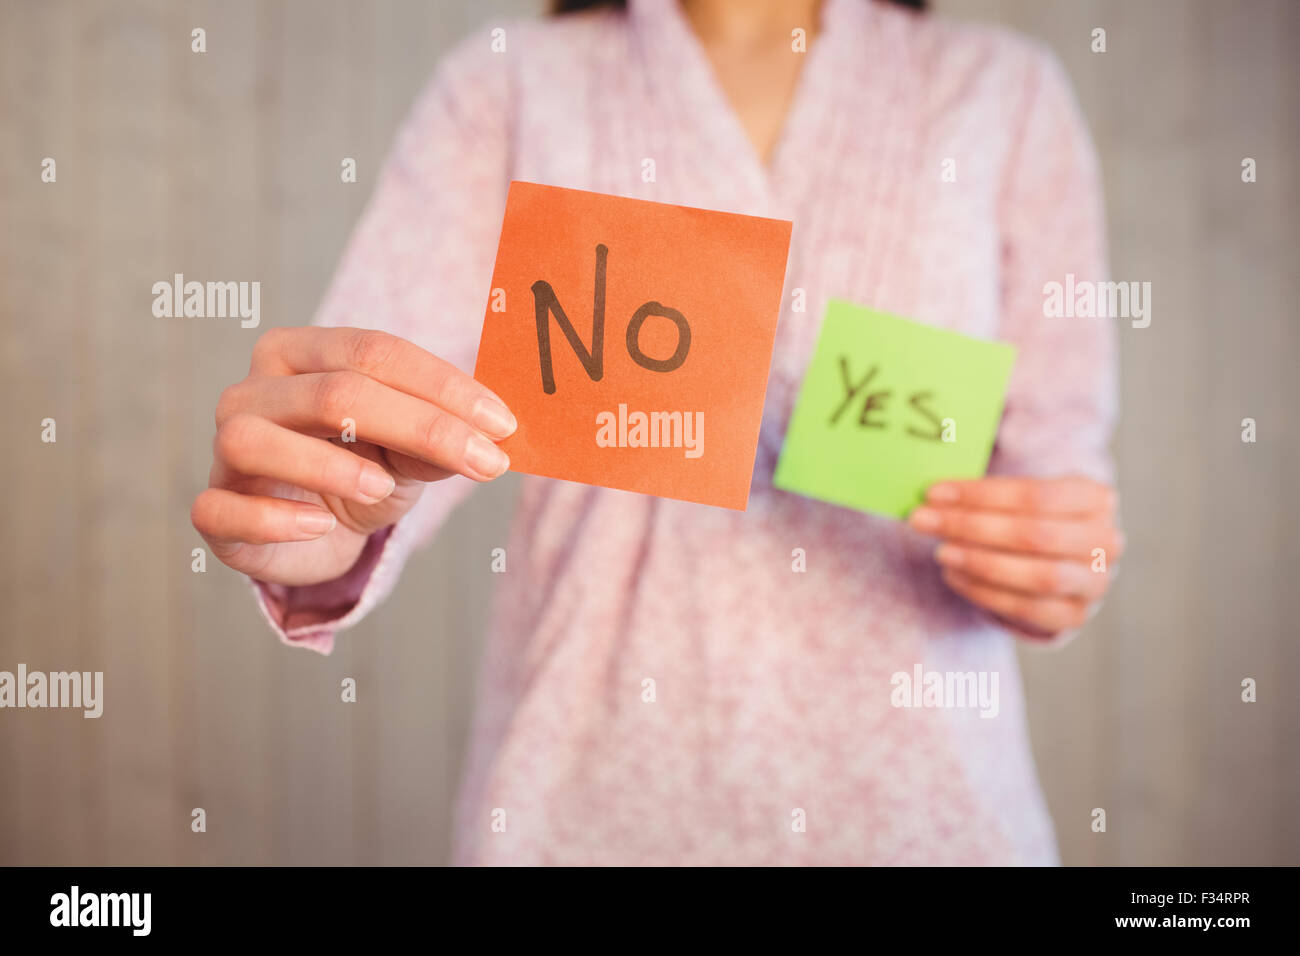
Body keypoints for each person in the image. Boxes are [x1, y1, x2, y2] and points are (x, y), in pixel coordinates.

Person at [191, 0, 1122, 865]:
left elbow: (1056, 472)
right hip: (581, 808)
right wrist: (319, 508)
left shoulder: (1006, 92)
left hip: (930, 817)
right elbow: (367, 440)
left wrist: (1056, 560)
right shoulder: (510, 84)